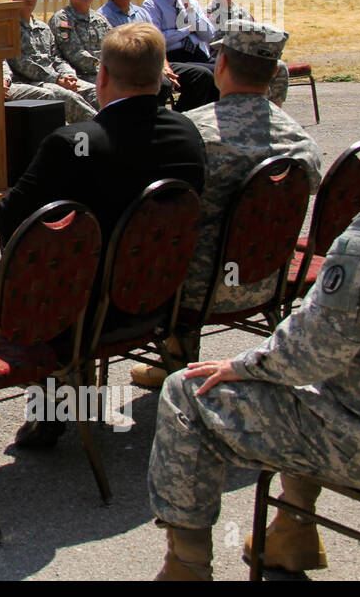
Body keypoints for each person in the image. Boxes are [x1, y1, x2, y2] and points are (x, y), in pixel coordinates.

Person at [148, 42, 360, 580]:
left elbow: (311, 351)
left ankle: (185, 570)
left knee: (188, 393)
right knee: (319, 381)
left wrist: (239, 366)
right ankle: (290, 534)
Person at [0, 23, 206, 459]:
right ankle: (51, 410)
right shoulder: (187, 135)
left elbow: (12, 223)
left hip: (72, 309)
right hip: (153, 302)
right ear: (161, 75)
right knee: (63, 277)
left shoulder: (75, 143)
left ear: (101, 77)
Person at [129, 22, 322, 389]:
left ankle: (175, 356)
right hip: (270, 281)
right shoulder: (301, 142)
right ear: (274, 73)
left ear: (221, 65)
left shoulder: (188, 134)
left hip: (193, 291)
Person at [6, 0, 99, 123]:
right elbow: (22, 64)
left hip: (57, 78)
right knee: (69, 97)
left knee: (94, 92)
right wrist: (57, 79)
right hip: (31, 82)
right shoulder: (8, 28)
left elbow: (56, 57)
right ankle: (100, 127)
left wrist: (68, 75)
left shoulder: (43, 28)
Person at [142, 0, 219, 111]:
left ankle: (211, 115)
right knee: (204, 75)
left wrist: (189, 9)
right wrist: (186, 31)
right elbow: (158, 39)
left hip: (198, 54)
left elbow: (208, 35)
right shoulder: (152, 4)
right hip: (174, 57)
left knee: (226, 71)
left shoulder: (192, 3)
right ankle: (184, 115)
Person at [206, 0, 289, 106]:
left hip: (247, 56)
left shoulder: (243, 13)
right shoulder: (205, 13)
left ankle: (274, 108)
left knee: (279, 66)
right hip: (221, 57)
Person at [100, 0, 183, 100]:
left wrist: (165, 67)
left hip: (154, 64)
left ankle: (181, 115)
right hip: (129, 69)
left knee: (202, 75)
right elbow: (115, 55)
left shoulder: (142, 13)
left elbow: (157, 44)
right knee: (164, 84)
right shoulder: (104, 17)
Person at [50, 0, 111, 81]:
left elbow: (113, 45)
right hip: (78, 76)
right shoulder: (63, 19)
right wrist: (104, 69)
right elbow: (73, 52)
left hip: (105, 72)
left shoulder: (100, 19)